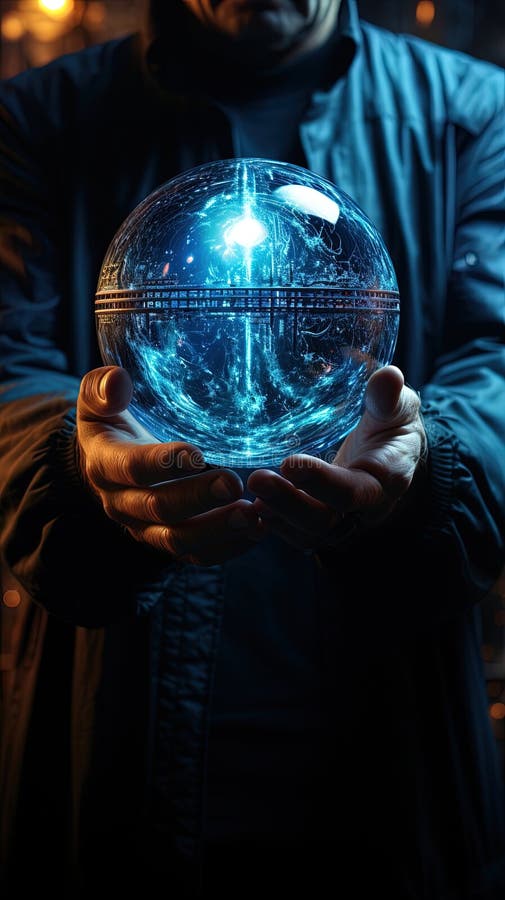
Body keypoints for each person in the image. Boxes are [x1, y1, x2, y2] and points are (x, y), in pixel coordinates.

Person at [1, 0, 504, 897]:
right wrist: (76, 468)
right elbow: (8, 362)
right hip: (110, 756)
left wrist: (430, 468)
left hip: (388, 769)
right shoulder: (34, 117)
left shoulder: (474, 115)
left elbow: (497, 359)